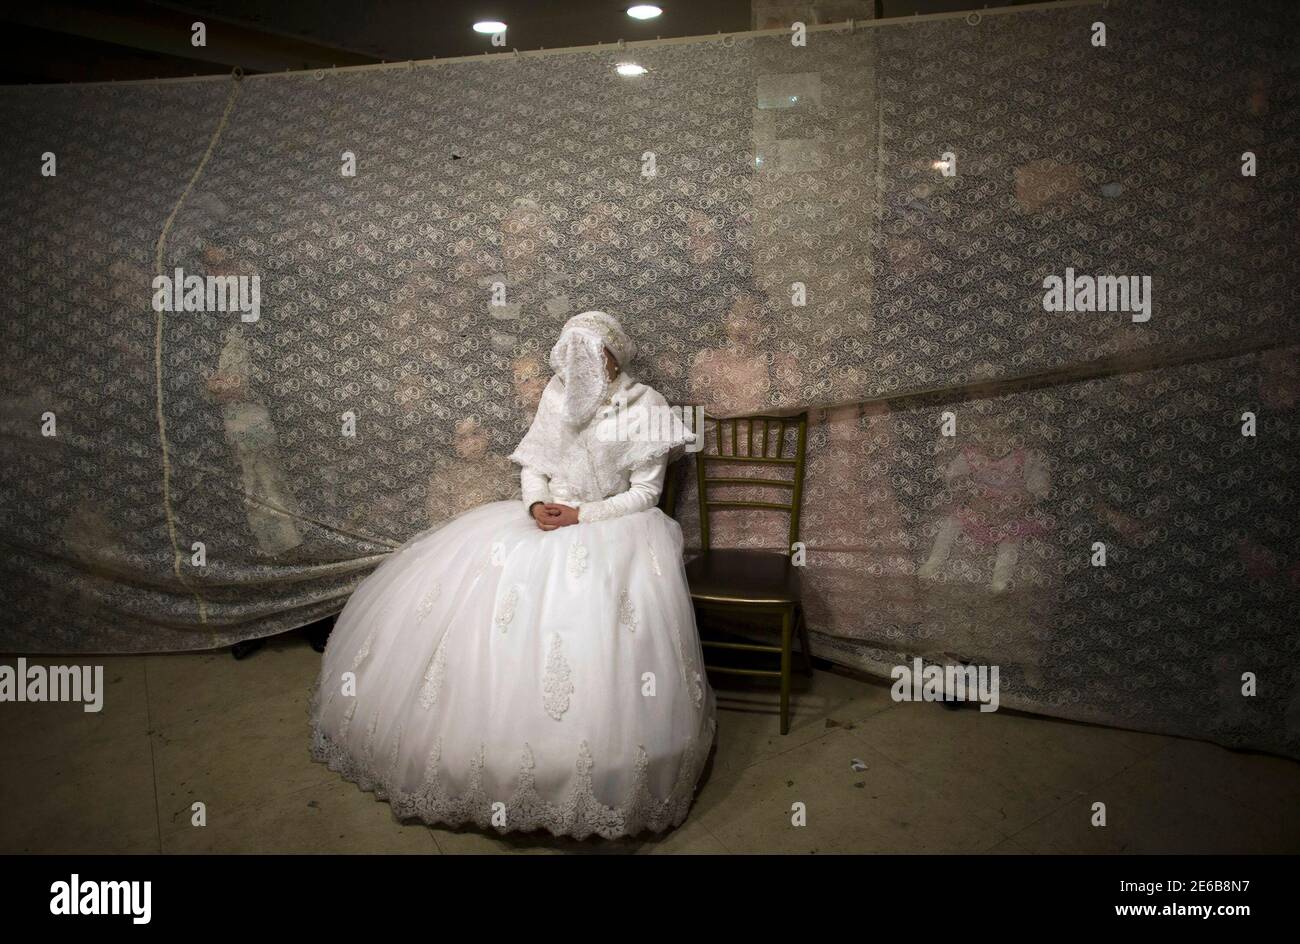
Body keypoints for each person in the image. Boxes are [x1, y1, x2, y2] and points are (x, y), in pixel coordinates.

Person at [310, 311, 716, 840]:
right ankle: (488, 760)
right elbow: (535, 464)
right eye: (567, 357)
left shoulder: (647, 405)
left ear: (613, 356)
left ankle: (604, 768)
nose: (575, 368)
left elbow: (647, 494)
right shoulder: (556, 394)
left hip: (615, 526)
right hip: (549, 519)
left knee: (600, 625)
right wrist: (535, 505)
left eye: (588, 356)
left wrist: (582, 516)